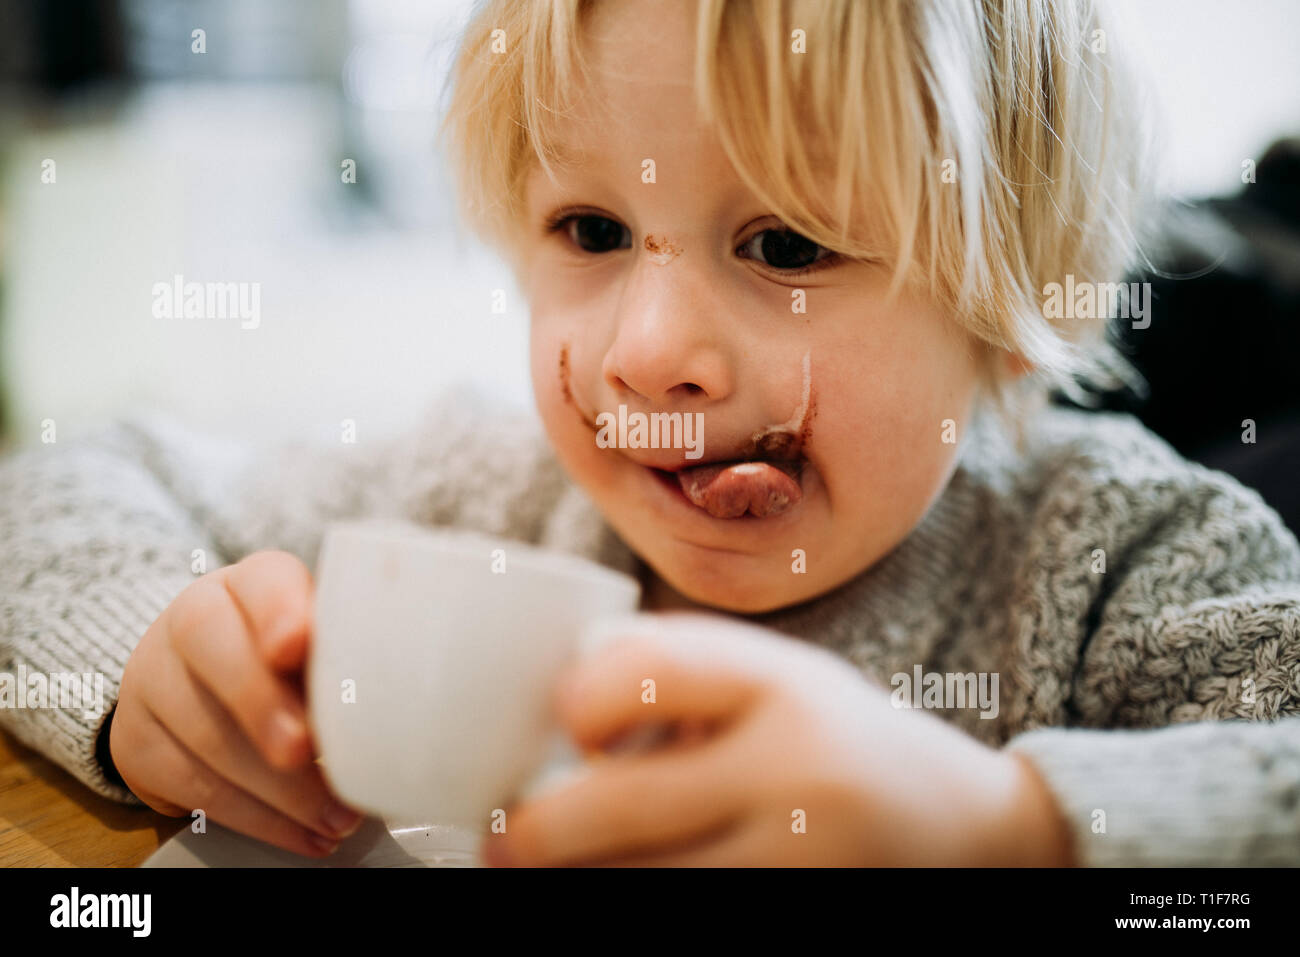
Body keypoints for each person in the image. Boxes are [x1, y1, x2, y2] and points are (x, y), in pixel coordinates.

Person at [2, 0, 1297, 866]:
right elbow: (69, 484)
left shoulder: (1114, 557)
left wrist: (1015, 827)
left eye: (786, 243)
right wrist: (141, 663)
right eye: (592, 232)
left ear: (1020, 305)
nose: (644, 352)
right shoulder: (485, 487)